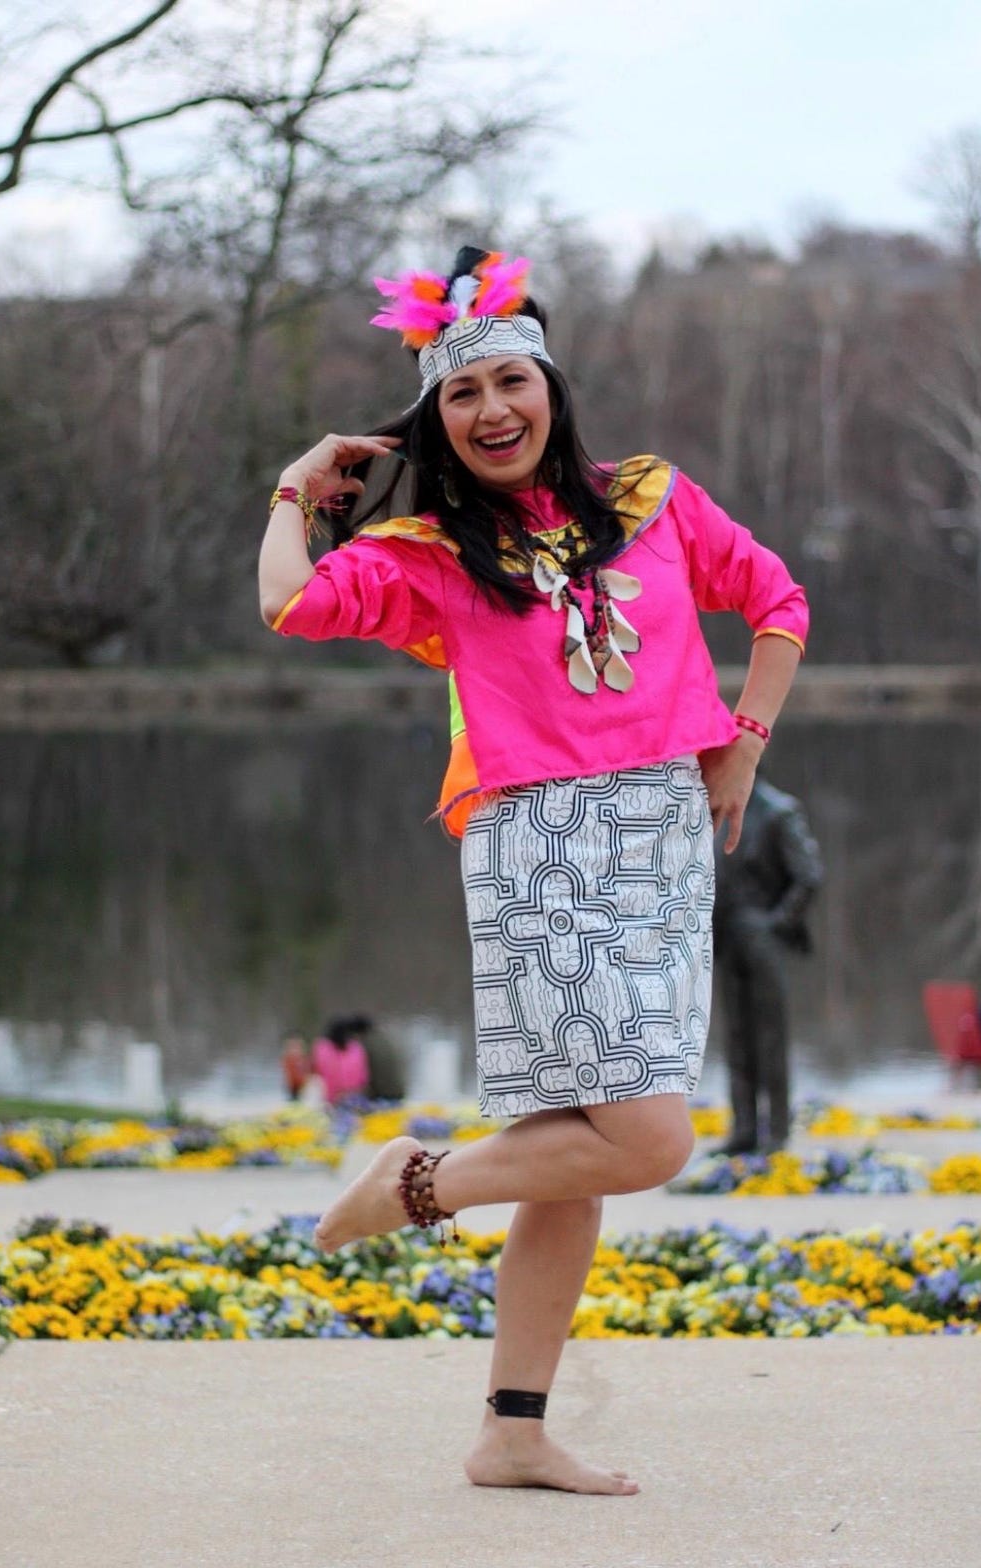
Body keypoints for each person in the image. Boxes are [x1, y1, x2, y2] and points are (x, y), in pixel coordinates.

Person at [257, 245, 808, 1495]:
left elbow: (776, 601)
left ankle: (513, 1425)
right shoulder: (429, 553)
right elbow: (288, 603)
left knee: (576, 1142)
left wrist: (743, 745)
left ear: (551, 387)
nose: (493, 410)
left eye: (513, 381)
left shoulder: (654, 498)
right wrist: (298, 486)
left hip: (665, 840)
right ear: (435, 421)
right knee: (647, 1137)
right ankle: (415, 1180)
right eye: (462, 395)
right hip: (542, 845)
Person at [712, 776, 823, 1155]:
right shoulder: (715, 807)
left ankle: (776, 1131)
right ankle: (743, 1130)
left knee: (771, 1036)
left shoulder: (778, 811)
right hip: (725, 936)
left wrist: (775, 923)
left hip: (763, 935)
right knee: (737, 1037)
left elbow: (808, 876)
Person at [311, 1014, 372, 1105]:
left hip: (337, 1099)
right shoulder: (356, 1048)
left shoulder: (321, 1048)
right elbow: (364, 1078)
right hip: (348, 1097)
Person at [280, 1031, 311, 1102]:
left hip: (302, 1088)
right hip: (292, 1088)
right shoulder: (287, 1060)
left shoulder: (303, 1060)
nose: (295, 1050)